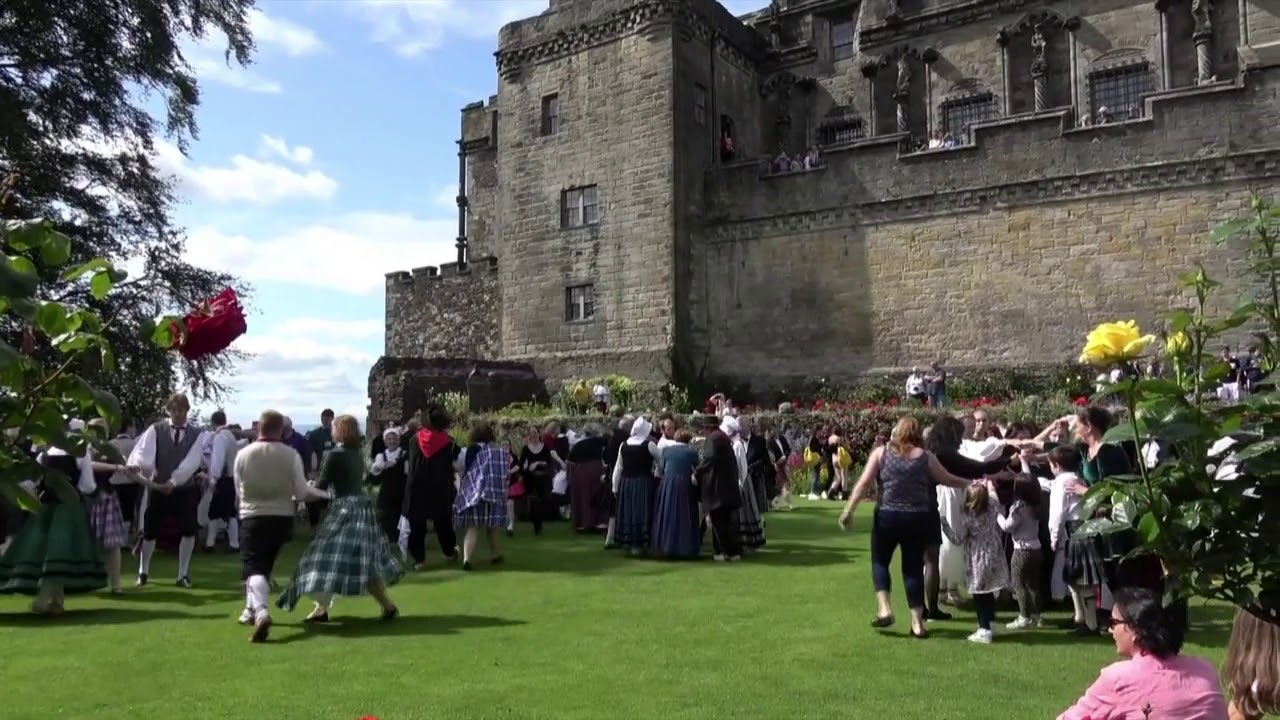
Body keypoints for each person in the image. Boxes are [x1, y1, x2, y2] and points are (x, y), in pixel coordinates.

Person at [840, 416, 971, 638]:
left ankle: (885, 609)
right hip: (917, 519)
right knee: (912, 569)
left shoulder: (881, 453)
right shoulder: (926, 457)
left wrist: (848, 510)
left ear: (898, 432)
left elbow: (863, 483)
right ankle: (918, 624)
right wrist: (971, 482)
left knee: (880, 561)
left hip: (887, 516)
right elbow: (947, 479)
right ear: (918, 433)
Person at [277, 414, 402, 625]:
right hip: (363, 509)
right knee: (364, 561)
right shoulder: (356, 453)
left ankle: (322, 608)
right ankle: (385, 606)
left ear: (340, 431)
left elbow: (321, 486)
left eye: (335, 427)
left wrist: (301, 489)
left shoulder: (334, 454)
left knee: (321, 558)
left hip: (345, 510)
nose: (332, 431)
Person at [1057, 588, 1228, 719]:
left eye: (1113, 622)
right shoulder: (1206, 670)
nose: (1110, 630)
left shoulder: (1119, 679)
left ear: (1135, 630)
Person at [234, 410, 330, 642]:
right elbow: (301, 492)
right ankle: (250, 610)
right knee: (264, 566)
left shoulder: (243, 454)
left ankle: (261, 612)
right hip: (282, 518)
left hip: (253, 515)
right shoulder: (291, 454)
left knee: (254, 568)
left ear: (259, 428)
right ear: (281, 429)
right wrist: (325, 494)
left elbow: (238, 489)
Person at [0, 419, 108, 613]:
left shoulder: (44, 453)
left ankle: (55, 601)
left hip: (46, 508)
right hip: (69, 508)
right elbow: (87, 485)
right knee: (60, 554)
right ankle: (48, 600)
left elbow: (31, 482)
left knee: (47, 554)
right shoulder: (80, 454)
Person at [128, 393, 207, 588]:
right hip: (158, 487)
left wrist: (173, 481)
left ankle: (183, 574)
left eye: (181, 410)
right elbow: (143, 453)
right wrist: (140, 467)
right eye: (174, 410)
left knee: (188, 530)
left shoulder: (197, 434)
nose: (178, 414)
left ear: (187, 410)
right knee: (150, 530)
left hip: (184, 488)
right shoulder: (156, 429)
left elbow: (192, 461)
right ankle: (143, 572)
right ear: (168, 410)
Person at [940, 481, 1009, 644]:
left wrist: (945, 525)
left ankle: (984, 629)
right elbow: (993, 494)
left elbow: (958, 539)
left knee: (979, 595)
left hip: (978, 558)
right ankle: (991, 624)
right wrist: (989, 484)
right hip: (994, 555)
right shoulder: (993, 507)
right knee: (989, 593)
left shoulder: (969, 517)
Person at [404, 405, 460, 567]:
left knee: (417, 524)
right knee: (443, 523)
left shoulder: (414, 440)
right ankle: (449, 552)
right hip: (439, 488)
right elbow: (455, 463)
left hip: (417, 487)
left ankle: (419, 560)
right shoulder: (449, 442)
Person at [453, 421, 509, 570]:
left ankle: (467, 559)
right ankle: (495, 555)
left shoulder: (468, 451)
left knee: (473, 528)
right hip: (493, 494)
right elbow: (503, 471)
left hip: (474, 495)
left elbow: (461, 468)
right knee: (492, 528)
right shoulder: (497, 451)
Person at [998, 475, 1045, 629]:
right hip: (1036, 548)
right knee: (1033, 584)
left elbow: (1007, 527)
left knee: (1018, 583)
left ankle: (1024, 616)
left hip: (1021, 551)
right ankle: (1038, 616)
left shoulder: (1019, 508)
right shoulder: (1036, 506)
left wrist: (998, 515)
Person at [695, 420, 743, 561]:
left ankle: (723, 551)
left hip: (718, 489)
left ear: (707, 428)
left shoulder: (713, 439)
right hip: (727, 487)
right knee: (726, 522)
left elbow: (709, 459)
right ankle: (731, 552)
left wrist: (697, 472)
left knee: (718, 522)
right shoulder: (722, 438)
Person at [612, 416, 660, 555]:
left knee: (630, 511)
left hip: (626, 482)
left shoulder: (623, 445)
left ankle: (631, 543)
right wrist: (658, 473)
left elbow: (618, 467)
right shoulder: (649, 445)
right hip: (643, 482)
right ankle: (639, 543)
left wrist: (615, 487)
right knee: (642, 511)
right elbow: (661, 461)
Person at [650, 429, 701, 559]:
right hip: (685, 482)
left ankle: (666, 546)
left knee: (668, 513)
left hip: (668, 483)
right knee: (685, 513)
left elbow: (660, 469)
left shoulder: (667, 451)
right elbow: (698, 467)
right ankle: (685, 547)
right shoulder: (692, 451)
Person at [203, 410, 241, 553]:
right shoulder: (230, 436)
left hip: (222, 479)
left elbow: (218, 459)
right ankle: (224, 543)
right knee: (226, 511)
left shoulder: (220, 437)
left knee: (218, 512)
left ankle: (218, 544)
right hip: (231, 478)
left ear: (213, 422)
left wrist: (213, 479)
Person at [369, 427, 407, 548]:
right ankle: (388, 538)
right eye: (389, 439)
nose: (391, 441)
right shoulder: (381, 456)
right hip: (387, 490)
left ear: (398, 441)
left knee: (399, 514)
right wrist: (381, 467)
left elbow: (407, 472)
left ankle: (399, 538)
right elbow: (375, 473)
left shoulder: (404, 454)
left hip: (401, 490)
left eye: (394, 438)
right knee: (386, 514)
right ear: (385, 442)